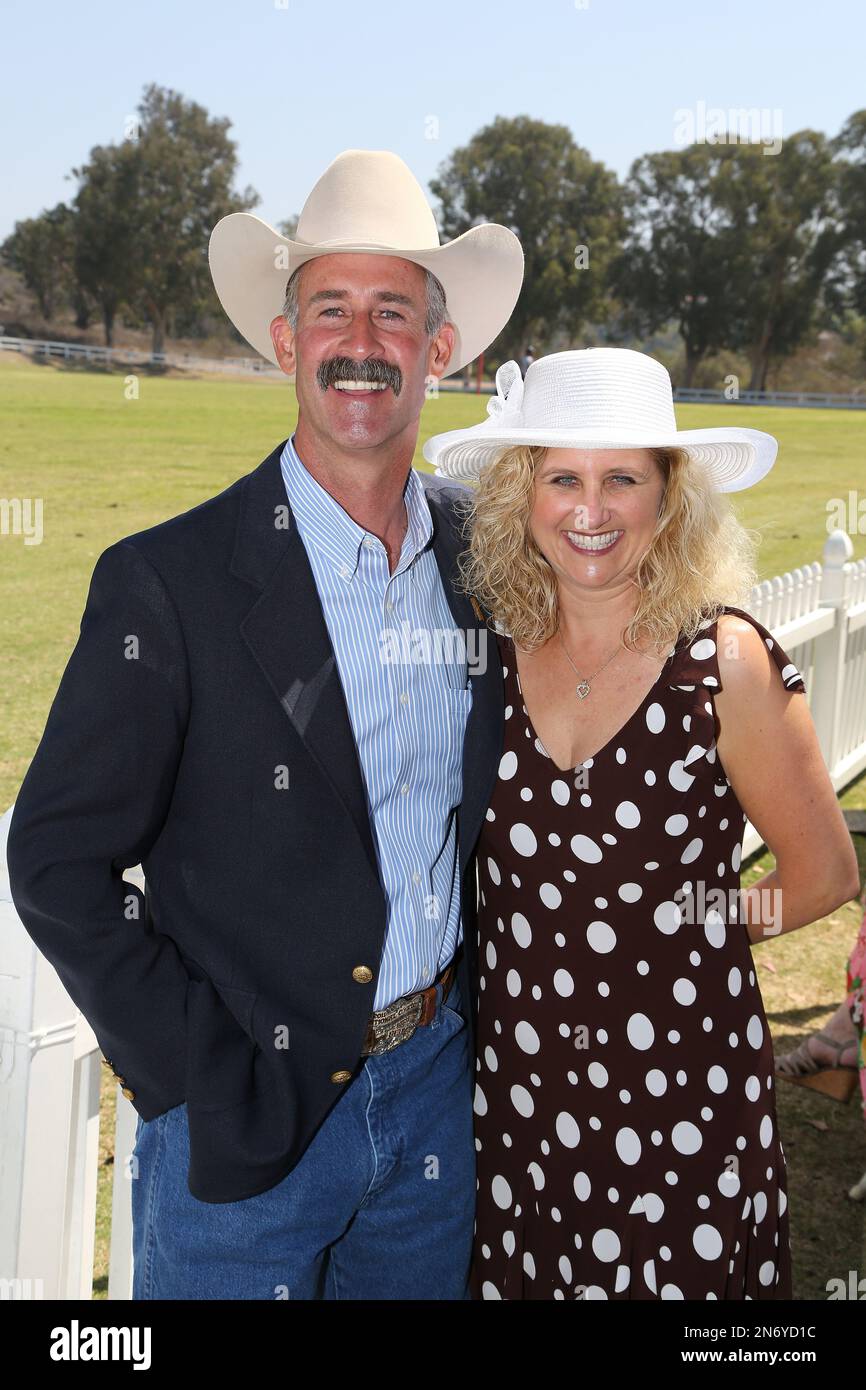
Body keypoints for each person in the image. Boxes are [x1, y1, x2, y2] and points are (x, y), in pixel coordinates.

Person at [6, 149, 522, 1300]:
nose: (360, 339)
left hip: (436, 1090)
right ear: (286, 341)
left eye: (394, 310)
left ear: (440, 349)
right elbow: (52, 860)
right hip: (244, 1133)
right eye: (329, 306)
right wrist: (191, 1072)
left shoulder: (483, 553)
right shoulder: (166, 582)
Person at [423, 348, 860, 1300]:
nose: (591, 509)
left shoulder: (725, 660)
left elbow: (824, 872)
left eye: (623, 477)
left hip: (684, 1090)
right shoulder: (491, 652)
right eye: (563, 478)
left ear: (668, 498)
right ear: (521, 494)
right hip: (522, 1094)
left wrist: (691, 916)